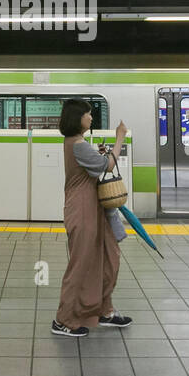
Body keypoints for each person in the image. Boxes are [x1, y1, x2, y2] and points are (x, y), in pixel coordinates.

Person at [51, 99, 131, 338]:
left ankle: (103, 310)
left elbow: (96, 165)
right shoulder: (77, 144)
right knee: (81, 265)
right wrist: (120, 139)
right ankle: (63, 320)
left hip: (93, 208)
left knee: (108, 258)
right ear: (78, 118)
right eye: (88, 114)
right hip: (83, 209)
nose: (91, 117)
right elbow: (107, 166)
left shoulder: (79, 144)